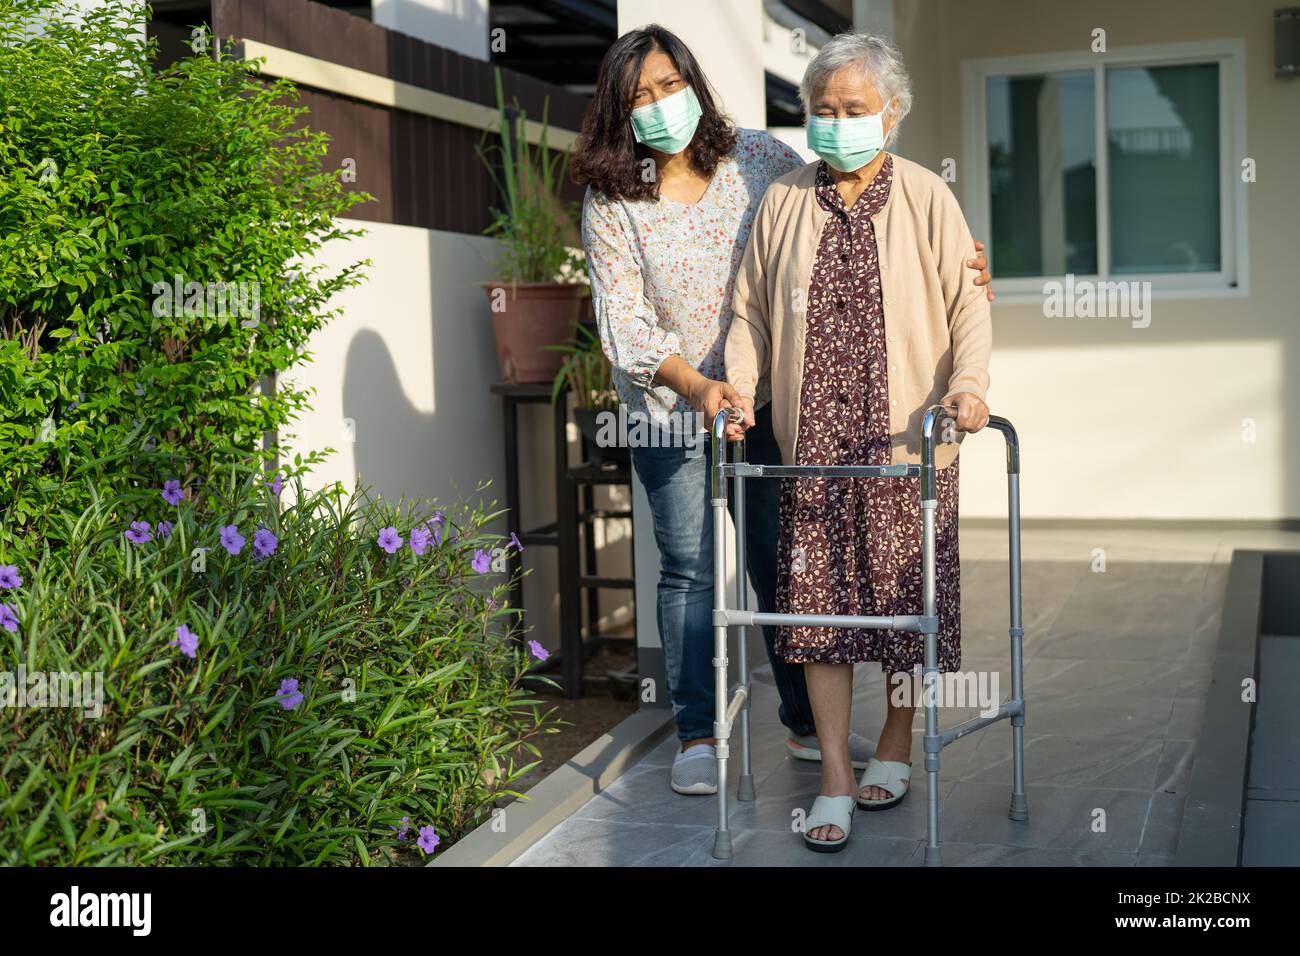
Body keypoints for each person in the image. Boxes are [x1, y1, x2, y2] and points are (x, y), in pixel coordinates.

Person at [572, 25, 993, 796]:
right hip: (672, 405)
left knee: (785, 572)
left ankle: (804, 726)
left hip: (765, 402)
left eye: (671, 85)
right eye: (641, 97)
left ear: (693, 83)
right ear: (619, 112)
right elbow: (630, 321)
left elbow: (842, 208)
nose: (662, 105)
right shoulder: (615, 196)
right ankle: (698, 734)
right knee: (691, 570)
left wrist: (962, 264)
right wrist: (699, 385)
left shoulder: (760, 159)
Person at [726, 32, 993, 850]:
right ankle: (835, 774)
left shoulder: (926, 197)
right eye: (822, 110)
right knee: (817, 612)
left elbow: (968, 304)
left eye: (853, 109)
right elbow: (749, 311)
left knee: (901, 604)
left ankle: (897, 743)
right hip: (810, 446)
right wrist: (738, 388)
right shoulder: (782, 201)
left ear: (892, 113)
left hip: (906, 445)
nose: (836, 123)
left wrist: (971, 386)